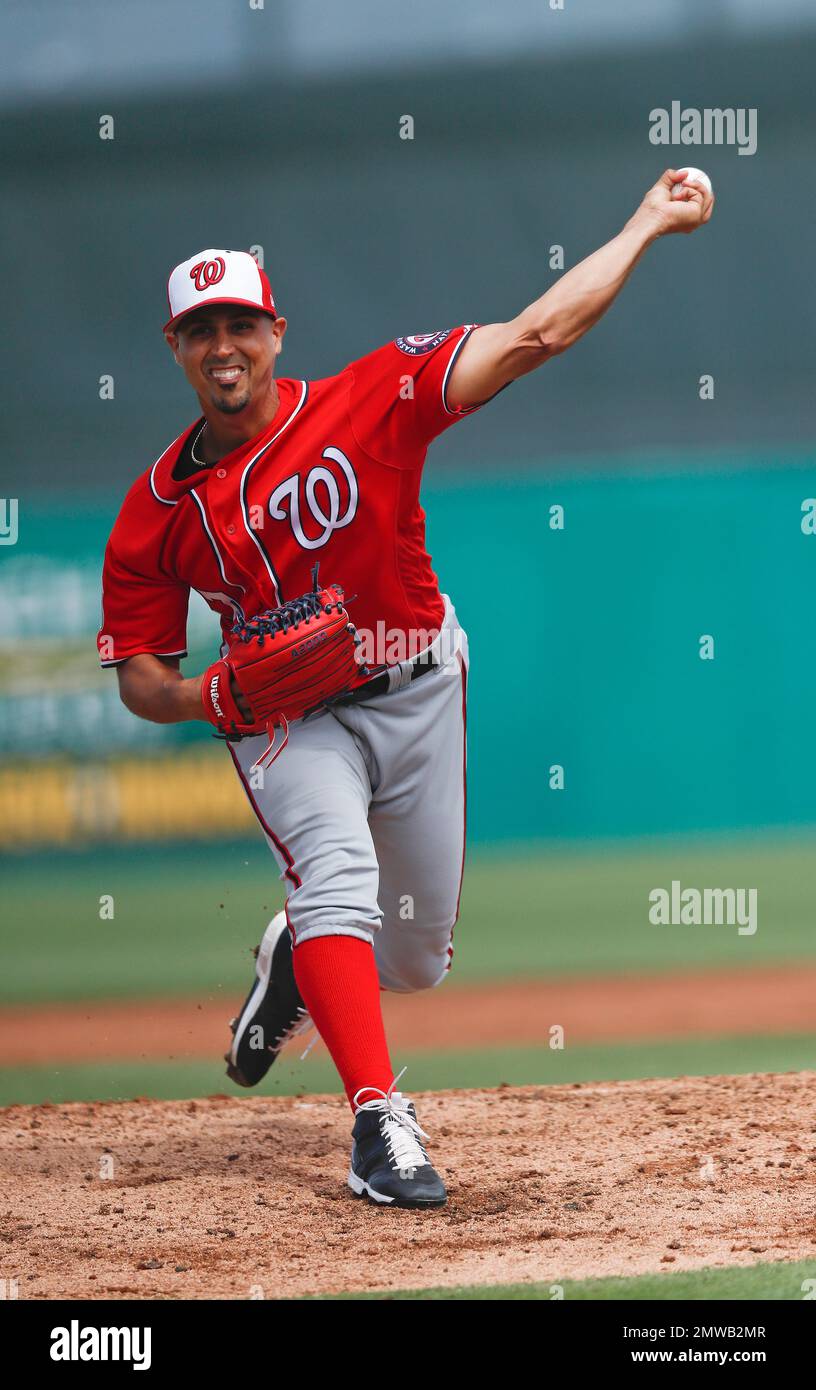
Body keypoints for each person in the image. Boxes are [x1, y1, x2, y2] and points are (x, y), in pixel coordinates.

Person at [98, 170, 714, 1209]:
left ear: (277, 331)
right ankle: (379, 1122)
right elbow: (139, 678)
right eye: (200, 330)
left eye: (239, 322)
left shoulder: (370, 398)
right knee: (337, 875)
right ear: (174, 349)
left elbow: (534, 334)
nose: (223, 347)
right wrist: (212, 699)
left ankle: (300, 957)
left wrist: (647, 222)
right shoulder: (154, 512)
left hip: (417, 677)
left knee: (418, 955)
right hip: (285, 719)